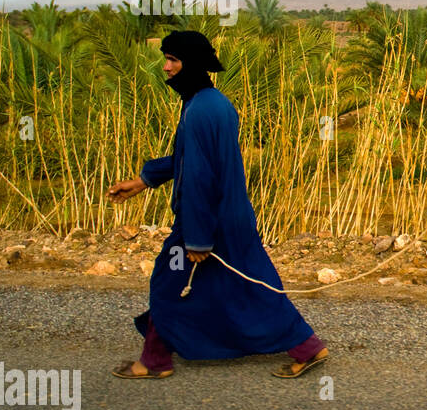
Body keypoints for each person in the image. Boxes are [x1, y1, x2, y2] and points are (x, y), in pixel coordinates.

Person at [107, 30, 328, 380]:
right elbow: (189, 160)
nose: (165, 67)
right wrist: (143, 180)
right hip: (230, 215)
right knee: (250, 284)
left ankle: (154, 360)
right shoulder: (212, 103)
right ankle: (307, 346)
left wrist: (196, 238)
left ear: (190, 64)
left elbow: (198, 177)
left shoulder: (199, 111)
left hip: (208, 219)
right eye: (167, 59)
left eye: (173, 60)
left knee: (168, 282)